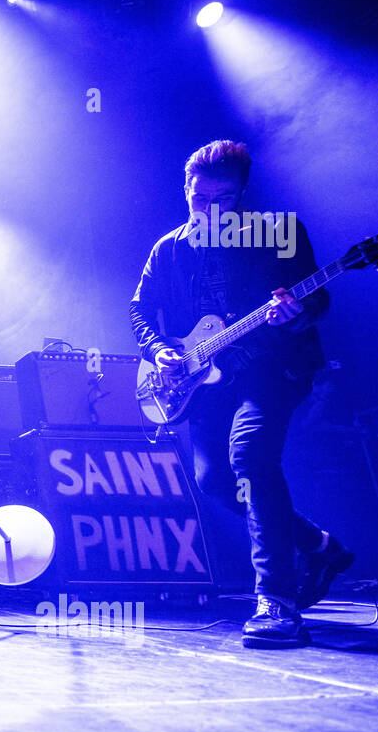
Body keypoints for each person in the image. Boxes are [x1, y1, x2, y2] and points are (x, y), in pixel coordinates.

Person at [130, 139, 354, 648]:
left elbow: (316, 296)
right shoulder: (169, 249)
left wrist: (297, 314)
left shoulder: (276, 233)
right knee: (213, 482)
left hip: (274, 367)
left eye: (223, 199)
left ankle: (276, 602)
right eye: (200, 197)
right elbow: (139, 309)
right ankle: (318, 546)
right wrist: (159, 347)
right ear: (186, 187)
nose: (209, 208)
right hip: (207, 378)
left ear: (243, 193)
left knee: (250, 455)